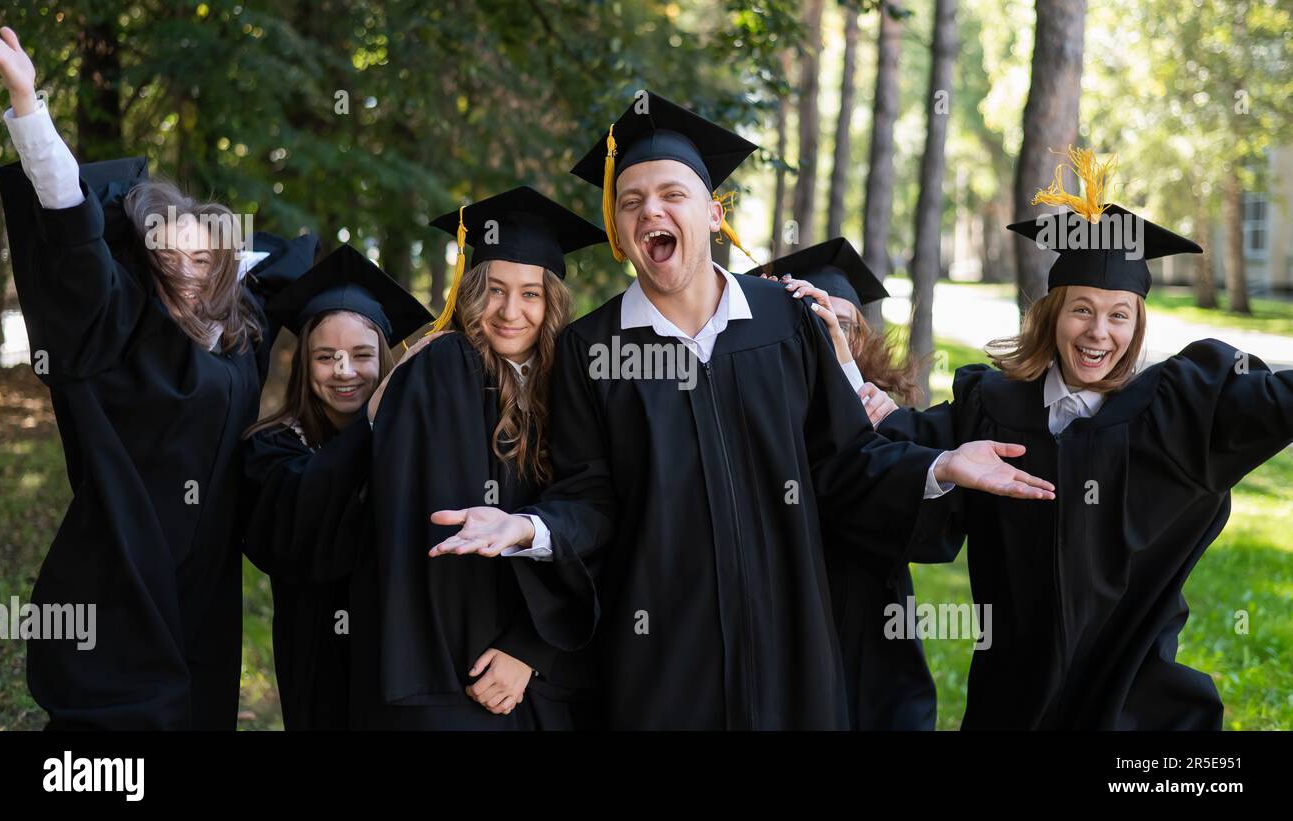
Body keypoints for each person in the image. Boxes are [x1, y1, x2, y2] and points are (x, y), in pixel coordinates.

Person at [428, 90, 1055, 730]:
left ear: (712, 212)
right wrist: (528, 529)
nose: (651, 212)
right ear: (617, 230)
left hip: (789, 644)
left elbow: (843, 463)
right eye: (631, 202)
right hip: (661, 659)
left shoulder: (785, 322)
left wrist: (940, 467)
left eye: (672, 194)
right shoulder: (593, 349)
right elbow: (592, 497)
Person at [871, 147, 1293, 729]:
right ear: (1051, 314)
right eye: (1082, 310)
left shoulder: (1176, 416)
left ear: (1138, 323)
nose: (1099, 332)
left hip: (1131, 701)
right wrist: (858, 390)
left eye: (1120, 315)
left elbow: (1275, 402)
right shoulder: (992, 409)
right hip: (1012, 701)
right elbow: (894, 457)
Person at [0, 25, 315, 728]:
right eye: (171, 258)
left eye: (204, 258)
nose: (190, 272)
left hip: (204, 588)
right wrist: (28, 103)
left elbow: (299, 287)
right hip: (121, 577)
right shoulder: (115, 329)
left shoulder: (239, 330)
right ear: (146, 264)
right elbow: (72, 228)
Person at [353, 186, 605, 730]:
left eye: (531, 294)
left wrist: (530, 650)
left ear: (553, 301)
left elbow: (597, 512)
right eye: (494, 290)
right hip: (456, 672)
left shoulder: (576, 384)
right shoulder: (443, 369)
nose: (511, 312)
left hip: (546, 669)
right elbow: (422, 528)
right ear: (470, 293)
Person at [746, 237, 937, 730]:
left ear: (861, 338)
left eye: (845, 324)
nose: (828, 334)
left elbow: (929, 528)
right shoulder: (750, 408)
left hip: (868, 633)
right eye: (810, 319)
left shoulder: (883, 412)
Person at [241, 245, 432, 730]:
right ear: (305, 365)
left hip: (403, 657)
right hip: (316, 655)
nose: (344, 371)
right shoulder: (271, 447)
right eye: (326, 357)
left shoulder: (421, 445)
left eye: (362, 355)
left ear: (385, 359)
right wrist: (371, 423)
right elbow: (292, 534)